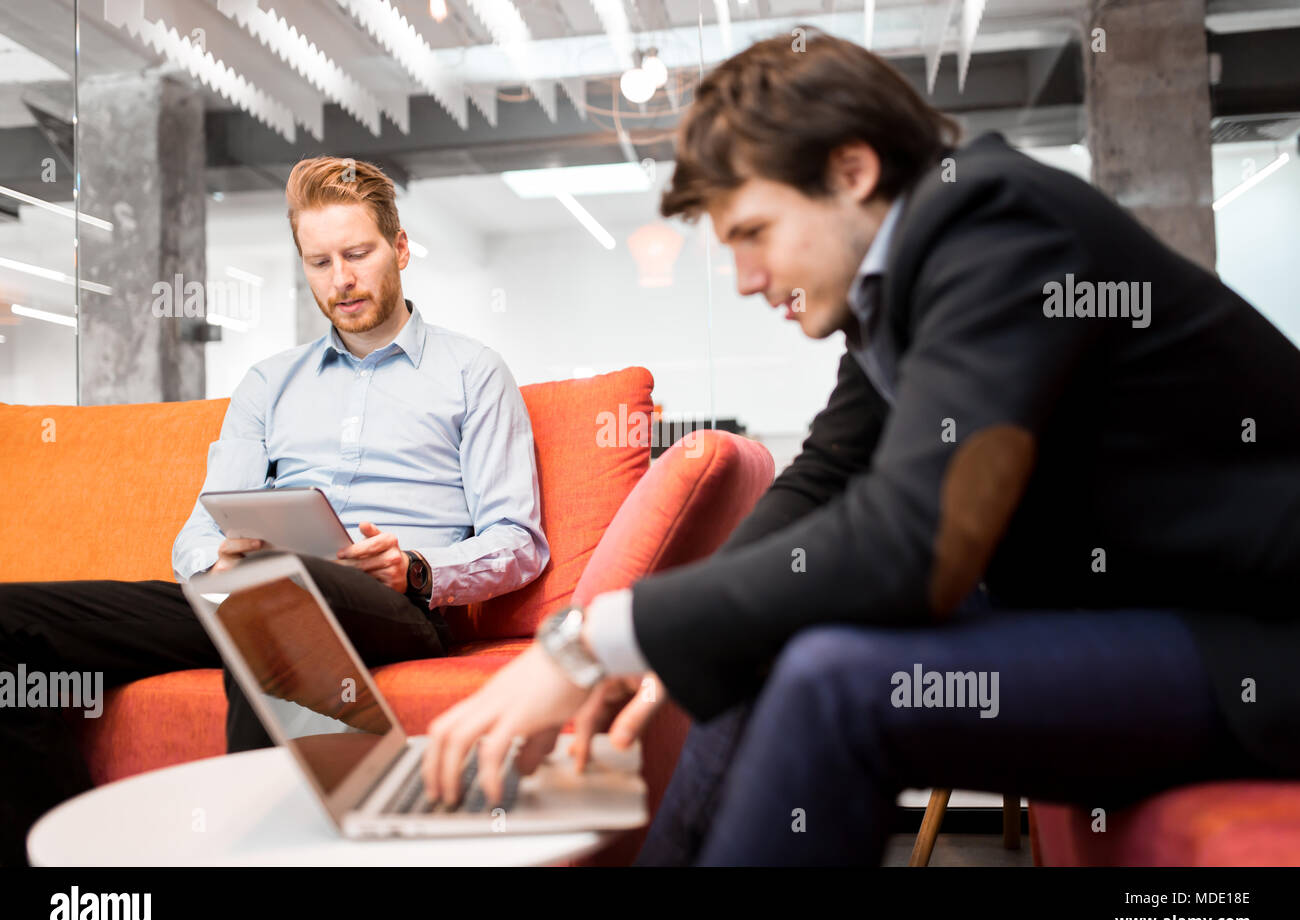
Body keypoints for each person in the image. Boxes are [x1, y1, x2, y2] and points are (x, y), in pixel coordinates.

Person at [419, 30, 1300, 865]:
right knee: (772, 646)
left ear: (851, 170)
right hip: (1143, 615)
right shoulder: (909, 275)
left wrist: (594, 644)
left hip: (1257, 641)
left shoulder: (998, 223)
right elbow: (830, 475)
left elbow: (916, 541)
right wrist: (670, 644)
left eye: (754, 234)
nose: (749, 279)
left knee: (833, 680)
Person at [0, 156, 548, 866]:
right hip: (253, 591)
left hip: (391, 607)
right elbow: (200, 528)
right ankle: (65, 864)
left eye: (357, 254)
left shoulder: (474, 373)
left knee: (274, 585)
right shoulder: (267, 383)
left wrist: (415, 568)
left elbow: (519, 541)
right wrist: (218, 558)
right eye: (319, 262)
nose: (340, 279)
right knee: (12, 623)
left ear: (401, 248)